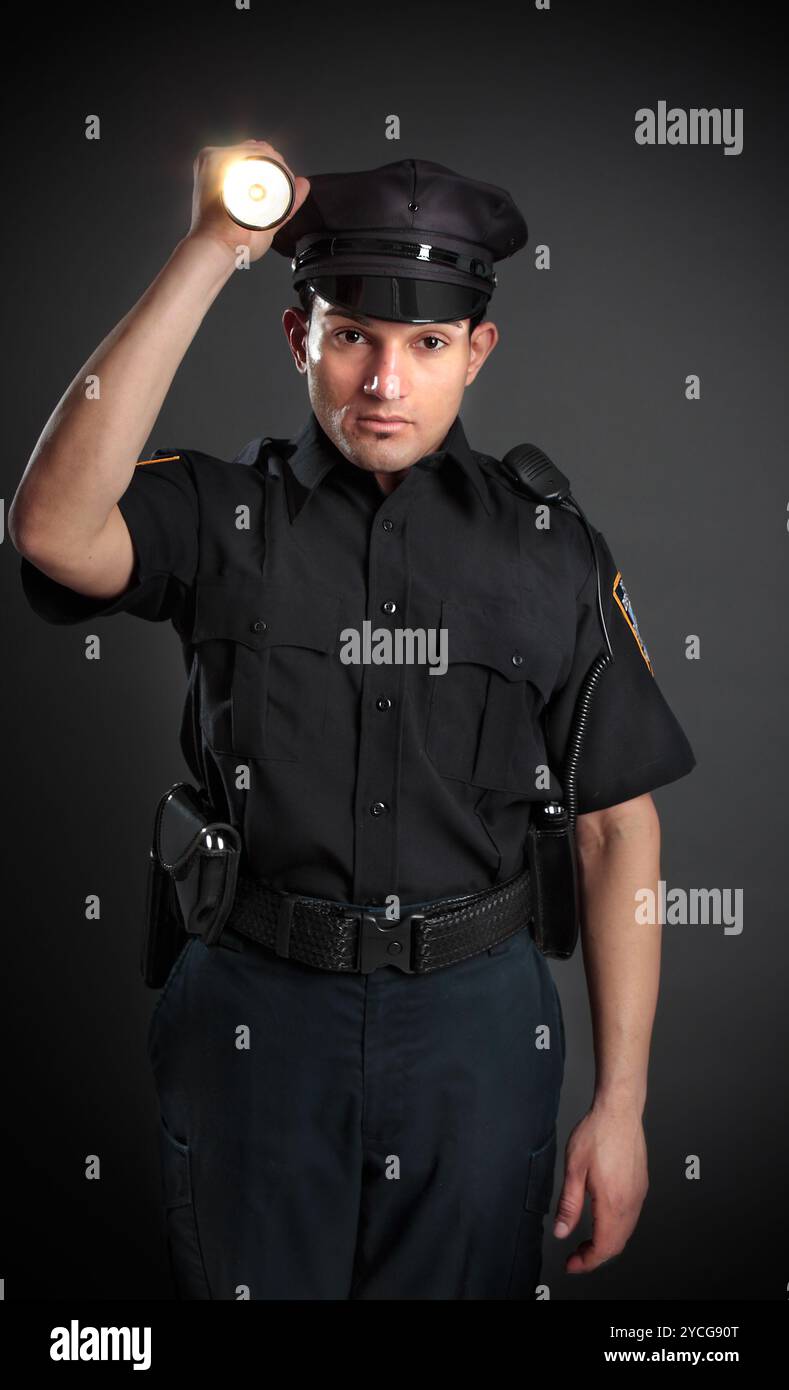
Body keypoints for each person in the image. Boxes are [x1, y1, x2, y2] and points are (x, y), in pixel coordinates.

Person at [9, 142, 696, 1300]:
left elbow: (618, 831)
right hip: (255, 1022)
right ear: (300, 341)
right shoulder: (222, 515)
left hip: (476, 1040)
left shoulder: (547, 548)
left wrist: (623, 1108)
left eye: (425, 345)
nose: (385, 383)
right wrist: (212, 247)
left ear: (477, 353)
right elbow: (53, 528)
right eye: (350, 338)